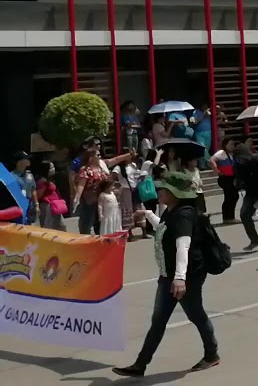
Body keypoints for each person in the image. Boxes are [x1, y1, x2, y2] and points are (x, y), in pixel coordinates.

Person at [112, 172, 220, 377]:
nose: (158, 192)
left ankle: (212, 354)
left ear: (175, 193)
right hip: (168, 276)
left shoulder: (183, 215)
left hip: (186, 277)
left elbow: (183, 246)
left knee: (195, 314)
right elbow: (163, 229)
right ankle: (140, 365)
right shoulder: (173, 211)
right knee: (159, 320)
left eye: (163, 189)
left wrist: (180, 278)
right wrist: (147, 215)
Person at [70, 139, 133, 235]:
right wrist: (76, 197)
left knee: (101, 223)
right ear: (91, 157)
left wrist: (129, 155)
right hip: (90, 201)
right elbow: (81, 185)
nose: (100, 157)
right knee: (87, 223)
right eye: (97, 155)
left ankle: (101, 242)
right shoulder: (86, 170)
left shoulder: (102, 166)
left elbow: (115, 160)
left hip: (103, 199)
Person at [210, 139, 239, 224]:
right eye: (230, 144)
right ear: (225, 145)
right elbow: (211, 160)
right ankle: (227, 217)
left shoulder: (231, 154)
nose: (232, 146)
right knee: (229, 196)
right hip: (225, 178)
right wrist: (216, 170)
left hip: (231, 177)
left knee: (233, 196)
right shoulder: (221, 153)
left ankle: (230, 216)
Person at [35, 162, 67, 230]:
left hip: (55, 206)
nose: (53, 169)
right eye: (51, 167)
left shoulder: (50, 180)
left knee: (60, 226)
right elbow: (38, 195)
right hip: (47, 206)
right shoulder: (42, 181)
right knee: (48, 226)